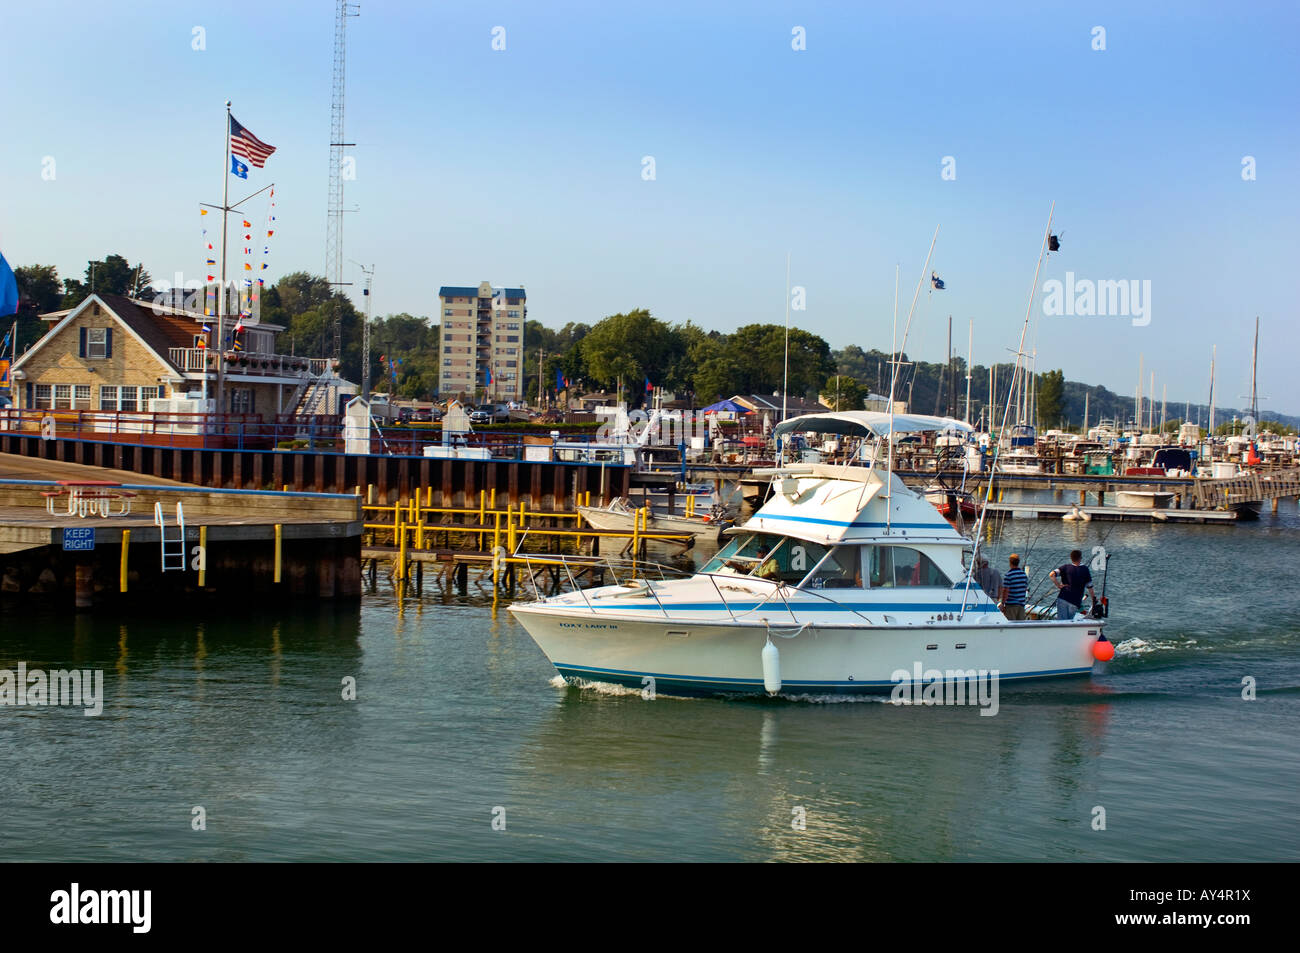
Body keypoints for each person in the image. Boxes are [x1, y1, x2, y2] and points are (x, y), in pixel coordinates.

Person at [1050, 549, 1096, 620]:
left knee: (1061, 622)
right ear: (1080, 558)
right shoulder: (1085, 569)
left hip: (1062, 598)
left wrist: (1058, 585)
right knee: (1068, 622)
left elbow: (1051, 574)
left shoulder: (1065, 567)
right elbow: (1090, 587)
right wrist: (1094, 600)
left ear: (1071, 558)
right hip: (1075, 601)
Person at [1000, 553, 1028, 620]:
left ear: (1010, 562)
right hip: (1021, 605)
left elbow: (1005, 591)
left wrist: (1002, 604)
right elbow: (1025, 588)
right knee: (1020, 626)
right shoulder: (1024, 575)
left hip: (1011, 605)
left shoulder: (1009, 575)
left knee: (1010, 625)